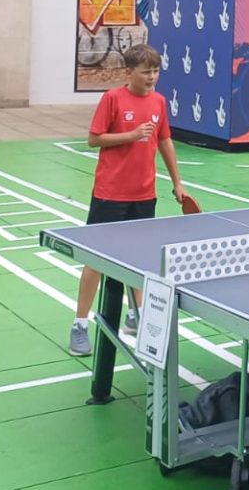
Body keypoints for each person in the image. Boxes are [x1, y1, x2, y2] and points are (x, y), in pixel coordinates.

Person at [70, 44, 188, 356]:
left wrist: (177, 182)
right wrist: (132, 135)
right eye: (146, 71)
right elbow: (94, 139)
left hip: (144, 194)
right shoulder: (112, 99)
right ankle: (80, 325)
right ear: (129, 72)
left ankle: (135, 316)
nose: (152, 77)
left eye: (155, 70)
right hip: (110, 193)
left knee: (139, 259)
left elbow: (165, 141)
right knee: (95, 260)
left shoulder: (160, 101)